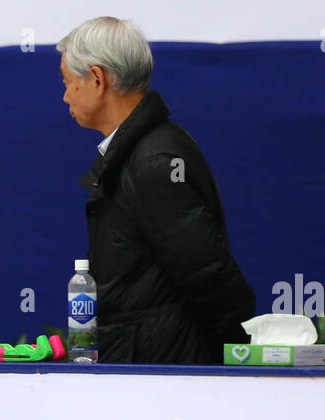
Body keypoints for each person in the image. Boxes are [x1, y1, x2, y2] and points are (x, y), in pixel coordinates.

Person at [58, 17, 255, 363]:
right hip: (150, 369)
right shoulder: (142, 152)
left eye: (68, 82)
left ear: (98, 79)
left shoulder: (153, 162)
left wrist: (235, 365)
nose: (64, 96)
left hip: (162, 377)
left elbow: (209, 276)